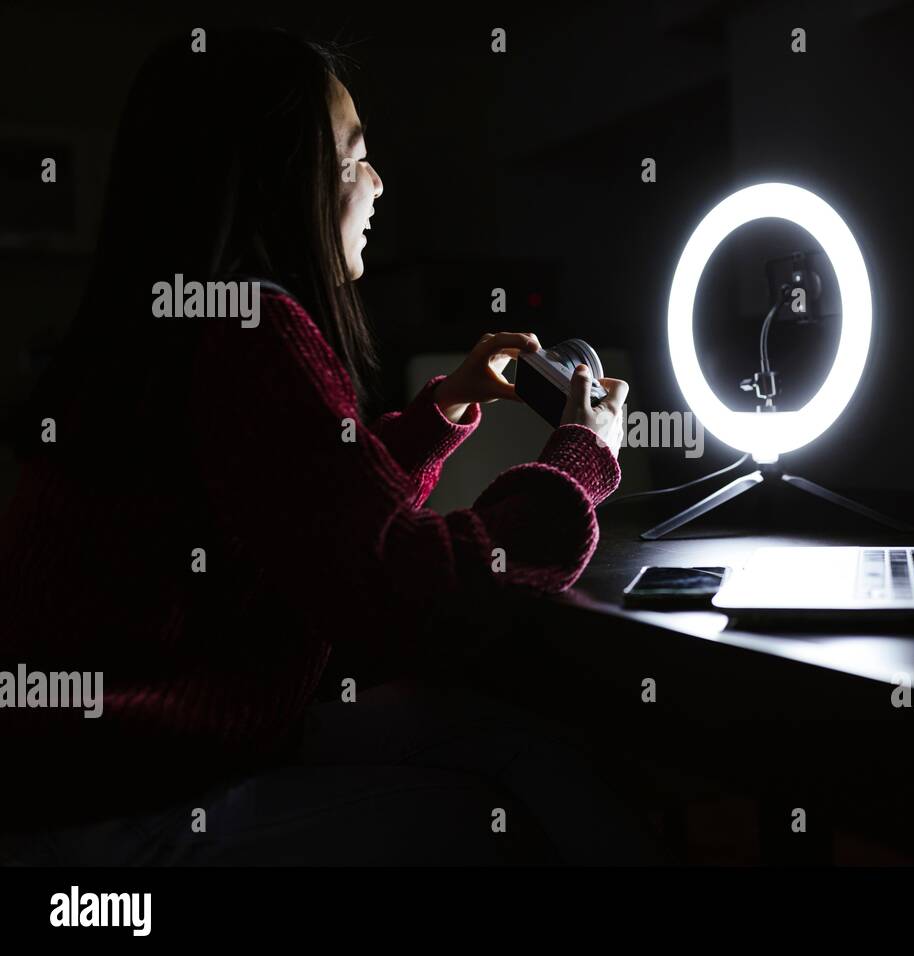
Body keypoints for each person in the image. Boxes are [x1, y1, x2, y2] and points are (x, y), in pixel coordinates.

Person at [0, 27, 662, 865]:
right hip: (115, 810)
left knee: (512, 742)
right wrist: (580, 460)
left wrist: (447, 406)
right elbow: (400, 592)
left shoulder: (184, 318)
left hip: (84, 775)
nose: (379, 184)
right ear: (280, 185)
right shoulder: (250, 330)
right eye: (354, 160)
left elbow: (302, 500)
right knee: (498, 820)